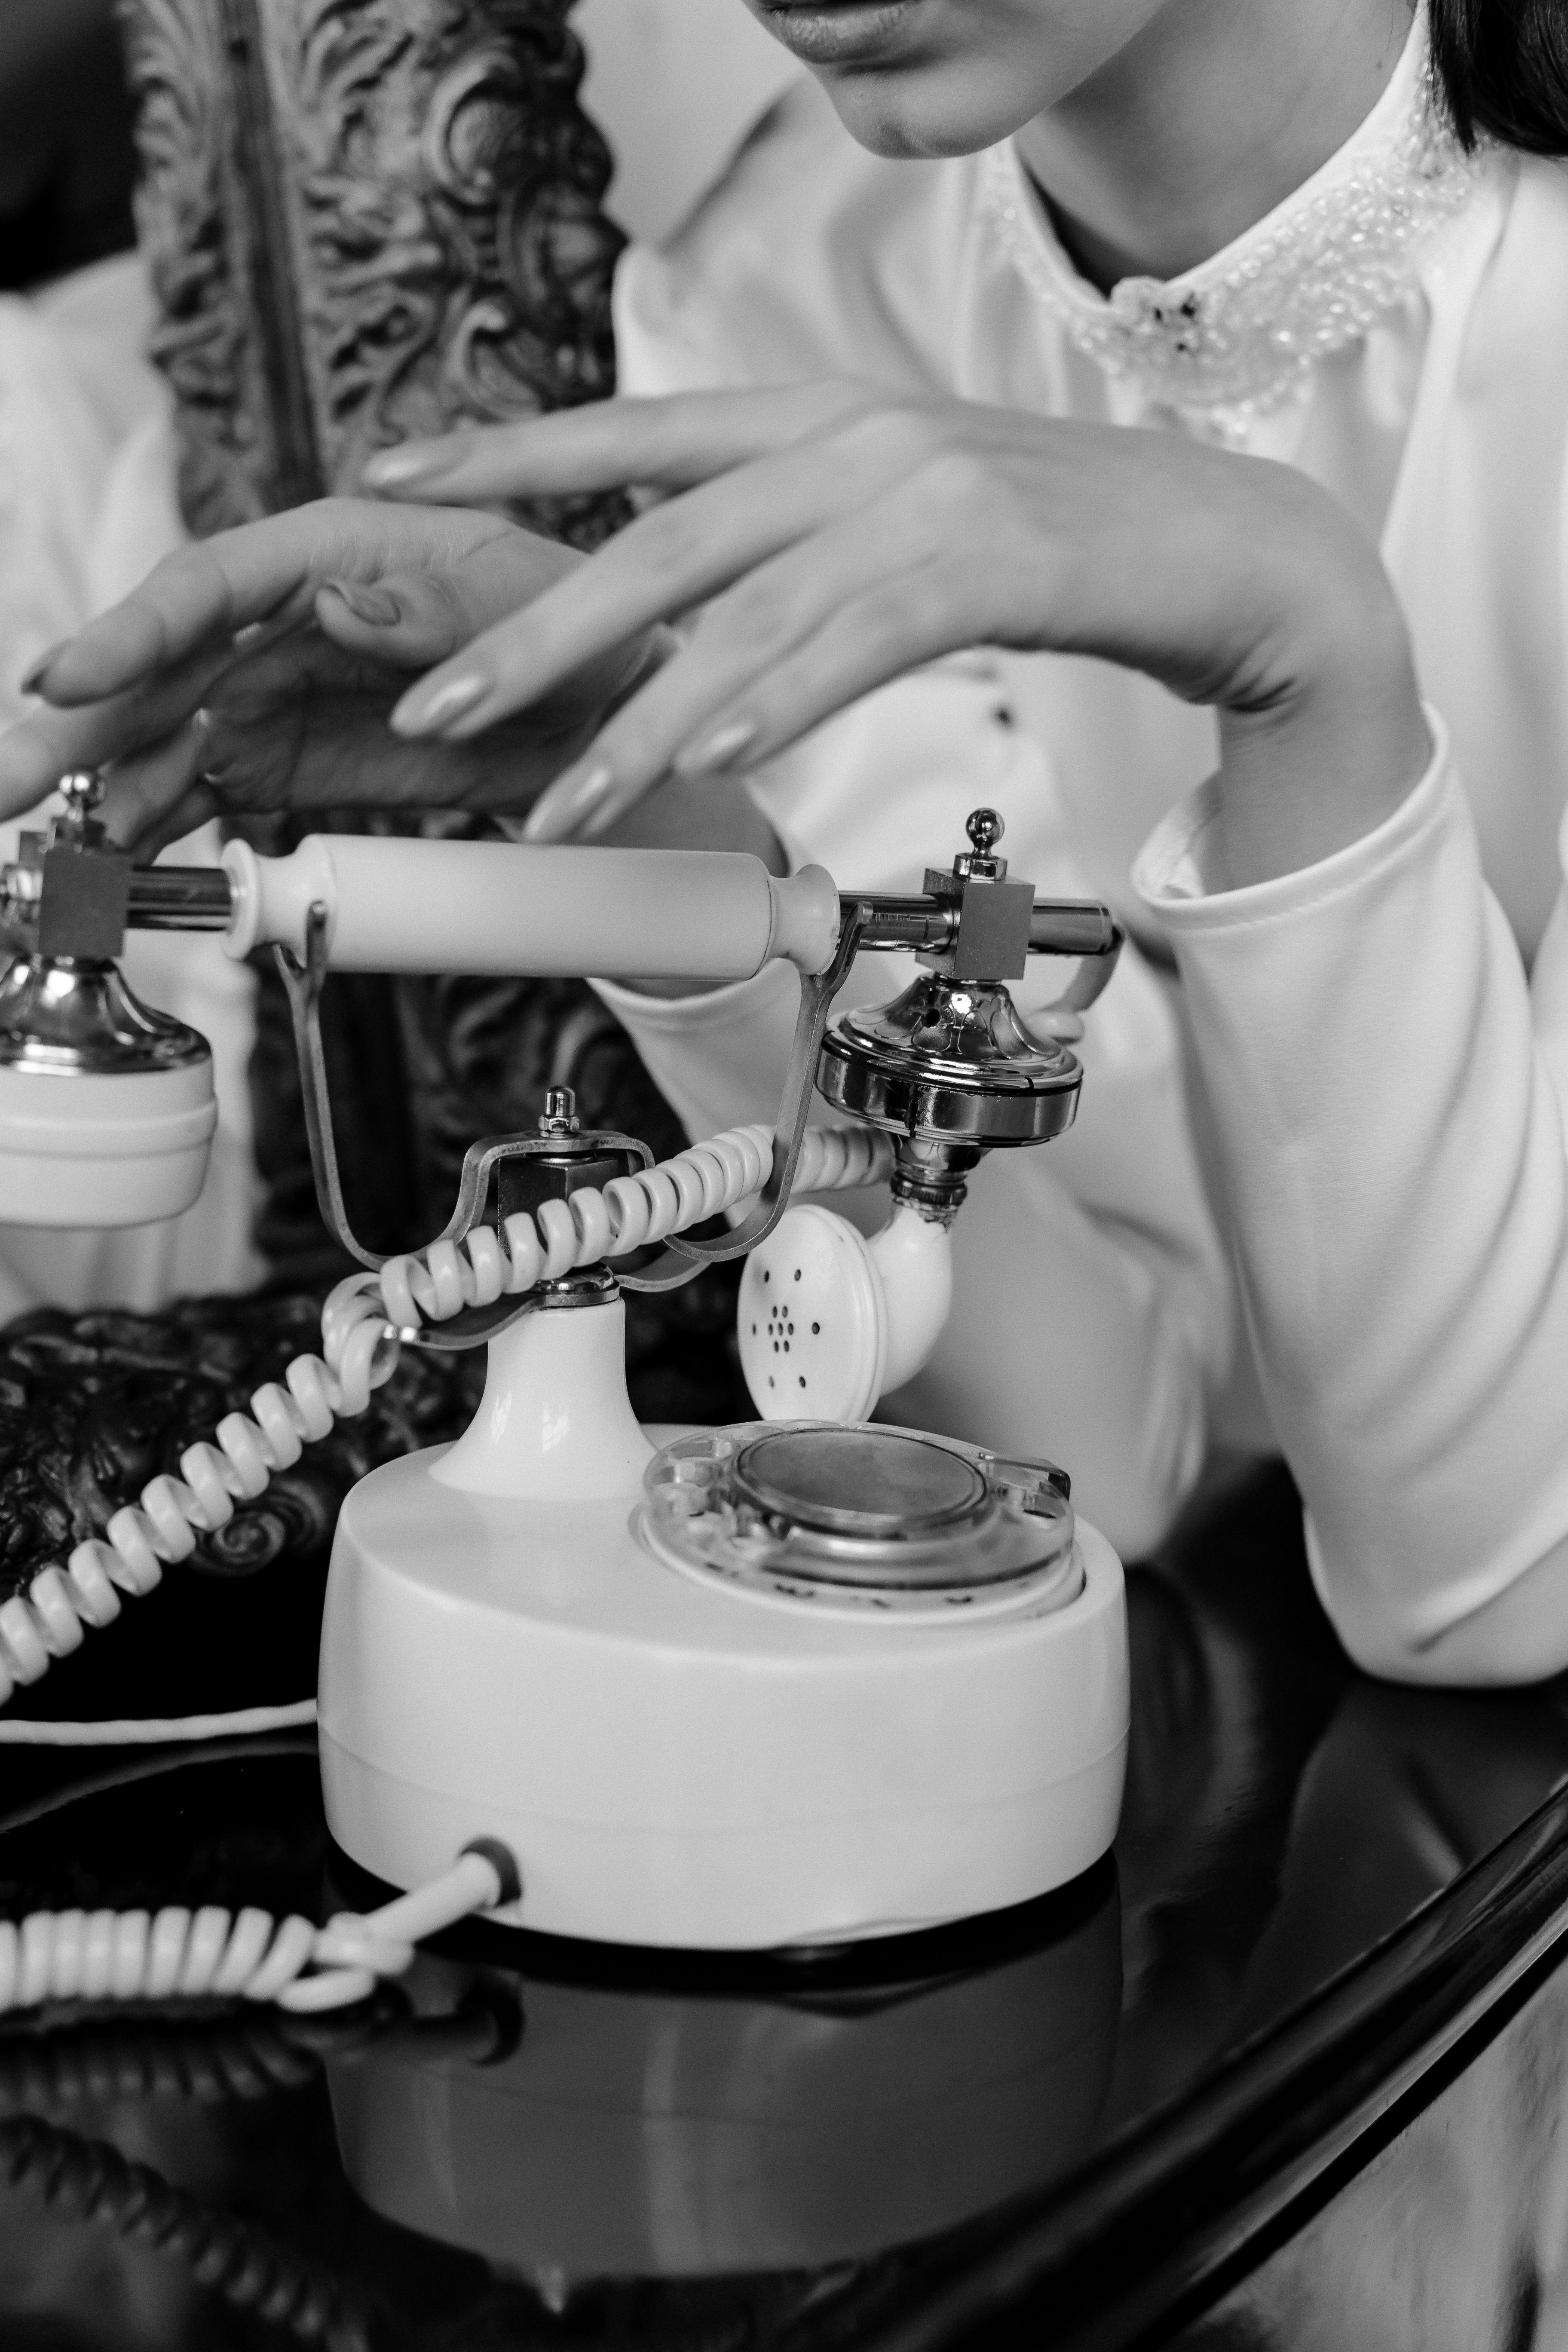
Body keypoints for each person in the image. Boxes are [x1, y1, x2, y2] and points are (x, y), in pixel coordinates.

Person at [3, 0, 1566, 1683]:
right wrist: (661, 816)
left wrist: (1303, 639)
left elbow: (1482, 1595)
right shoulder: (775, 299)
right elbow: (1095, 1453)